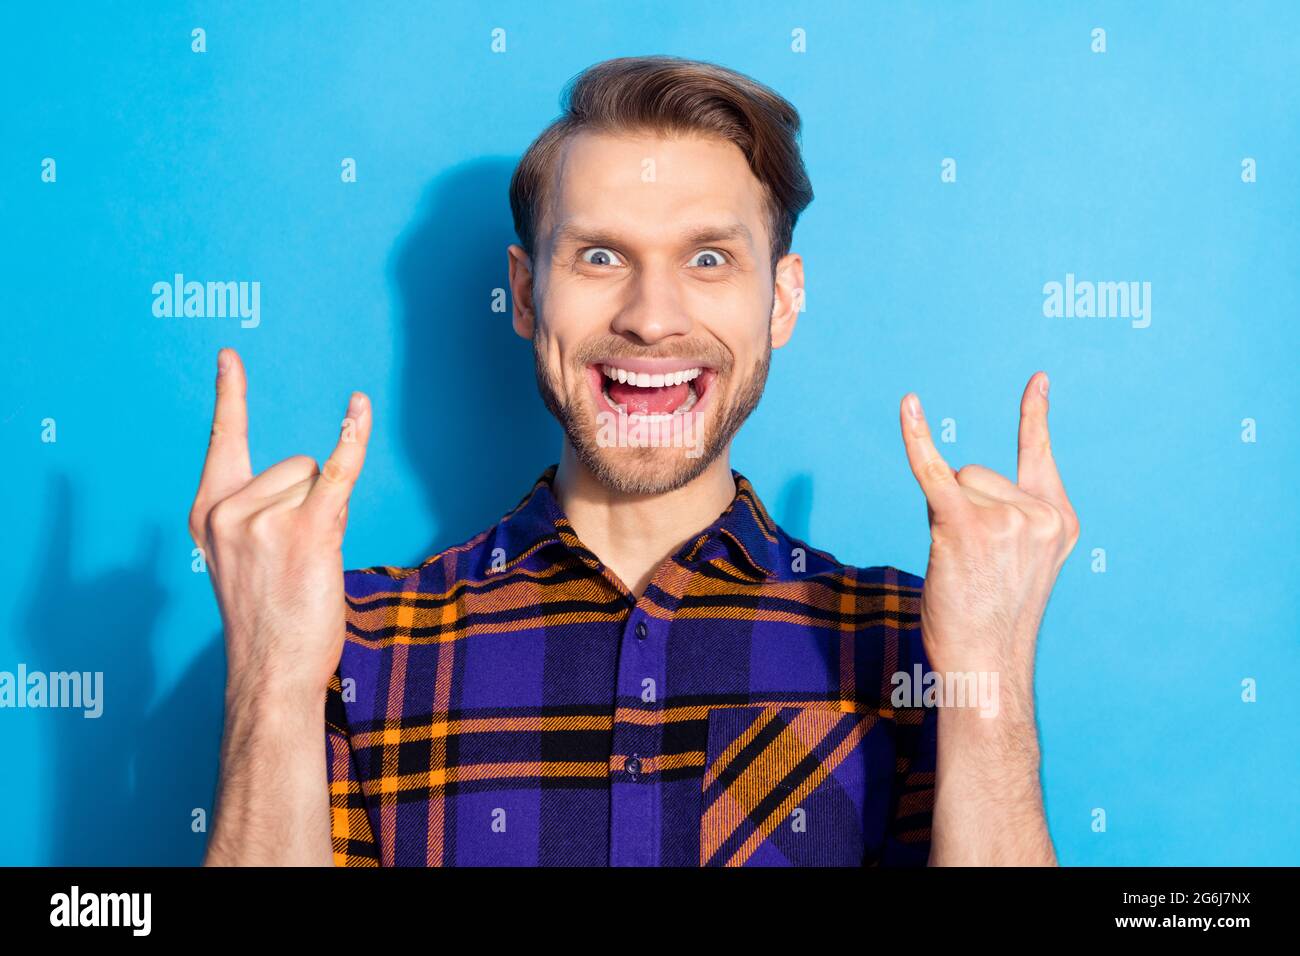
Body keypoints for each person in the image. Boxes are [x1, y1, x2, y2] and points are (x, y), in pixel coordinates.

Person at [192, 55, 1078, 867]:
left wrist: (987, 675)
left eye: (708, 258)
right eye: (601, 256)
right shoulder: (353, 641)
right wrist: (271, 680)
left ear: (782, 301)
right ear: (528, 293)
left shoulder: (911, 643)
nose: (652, 318)